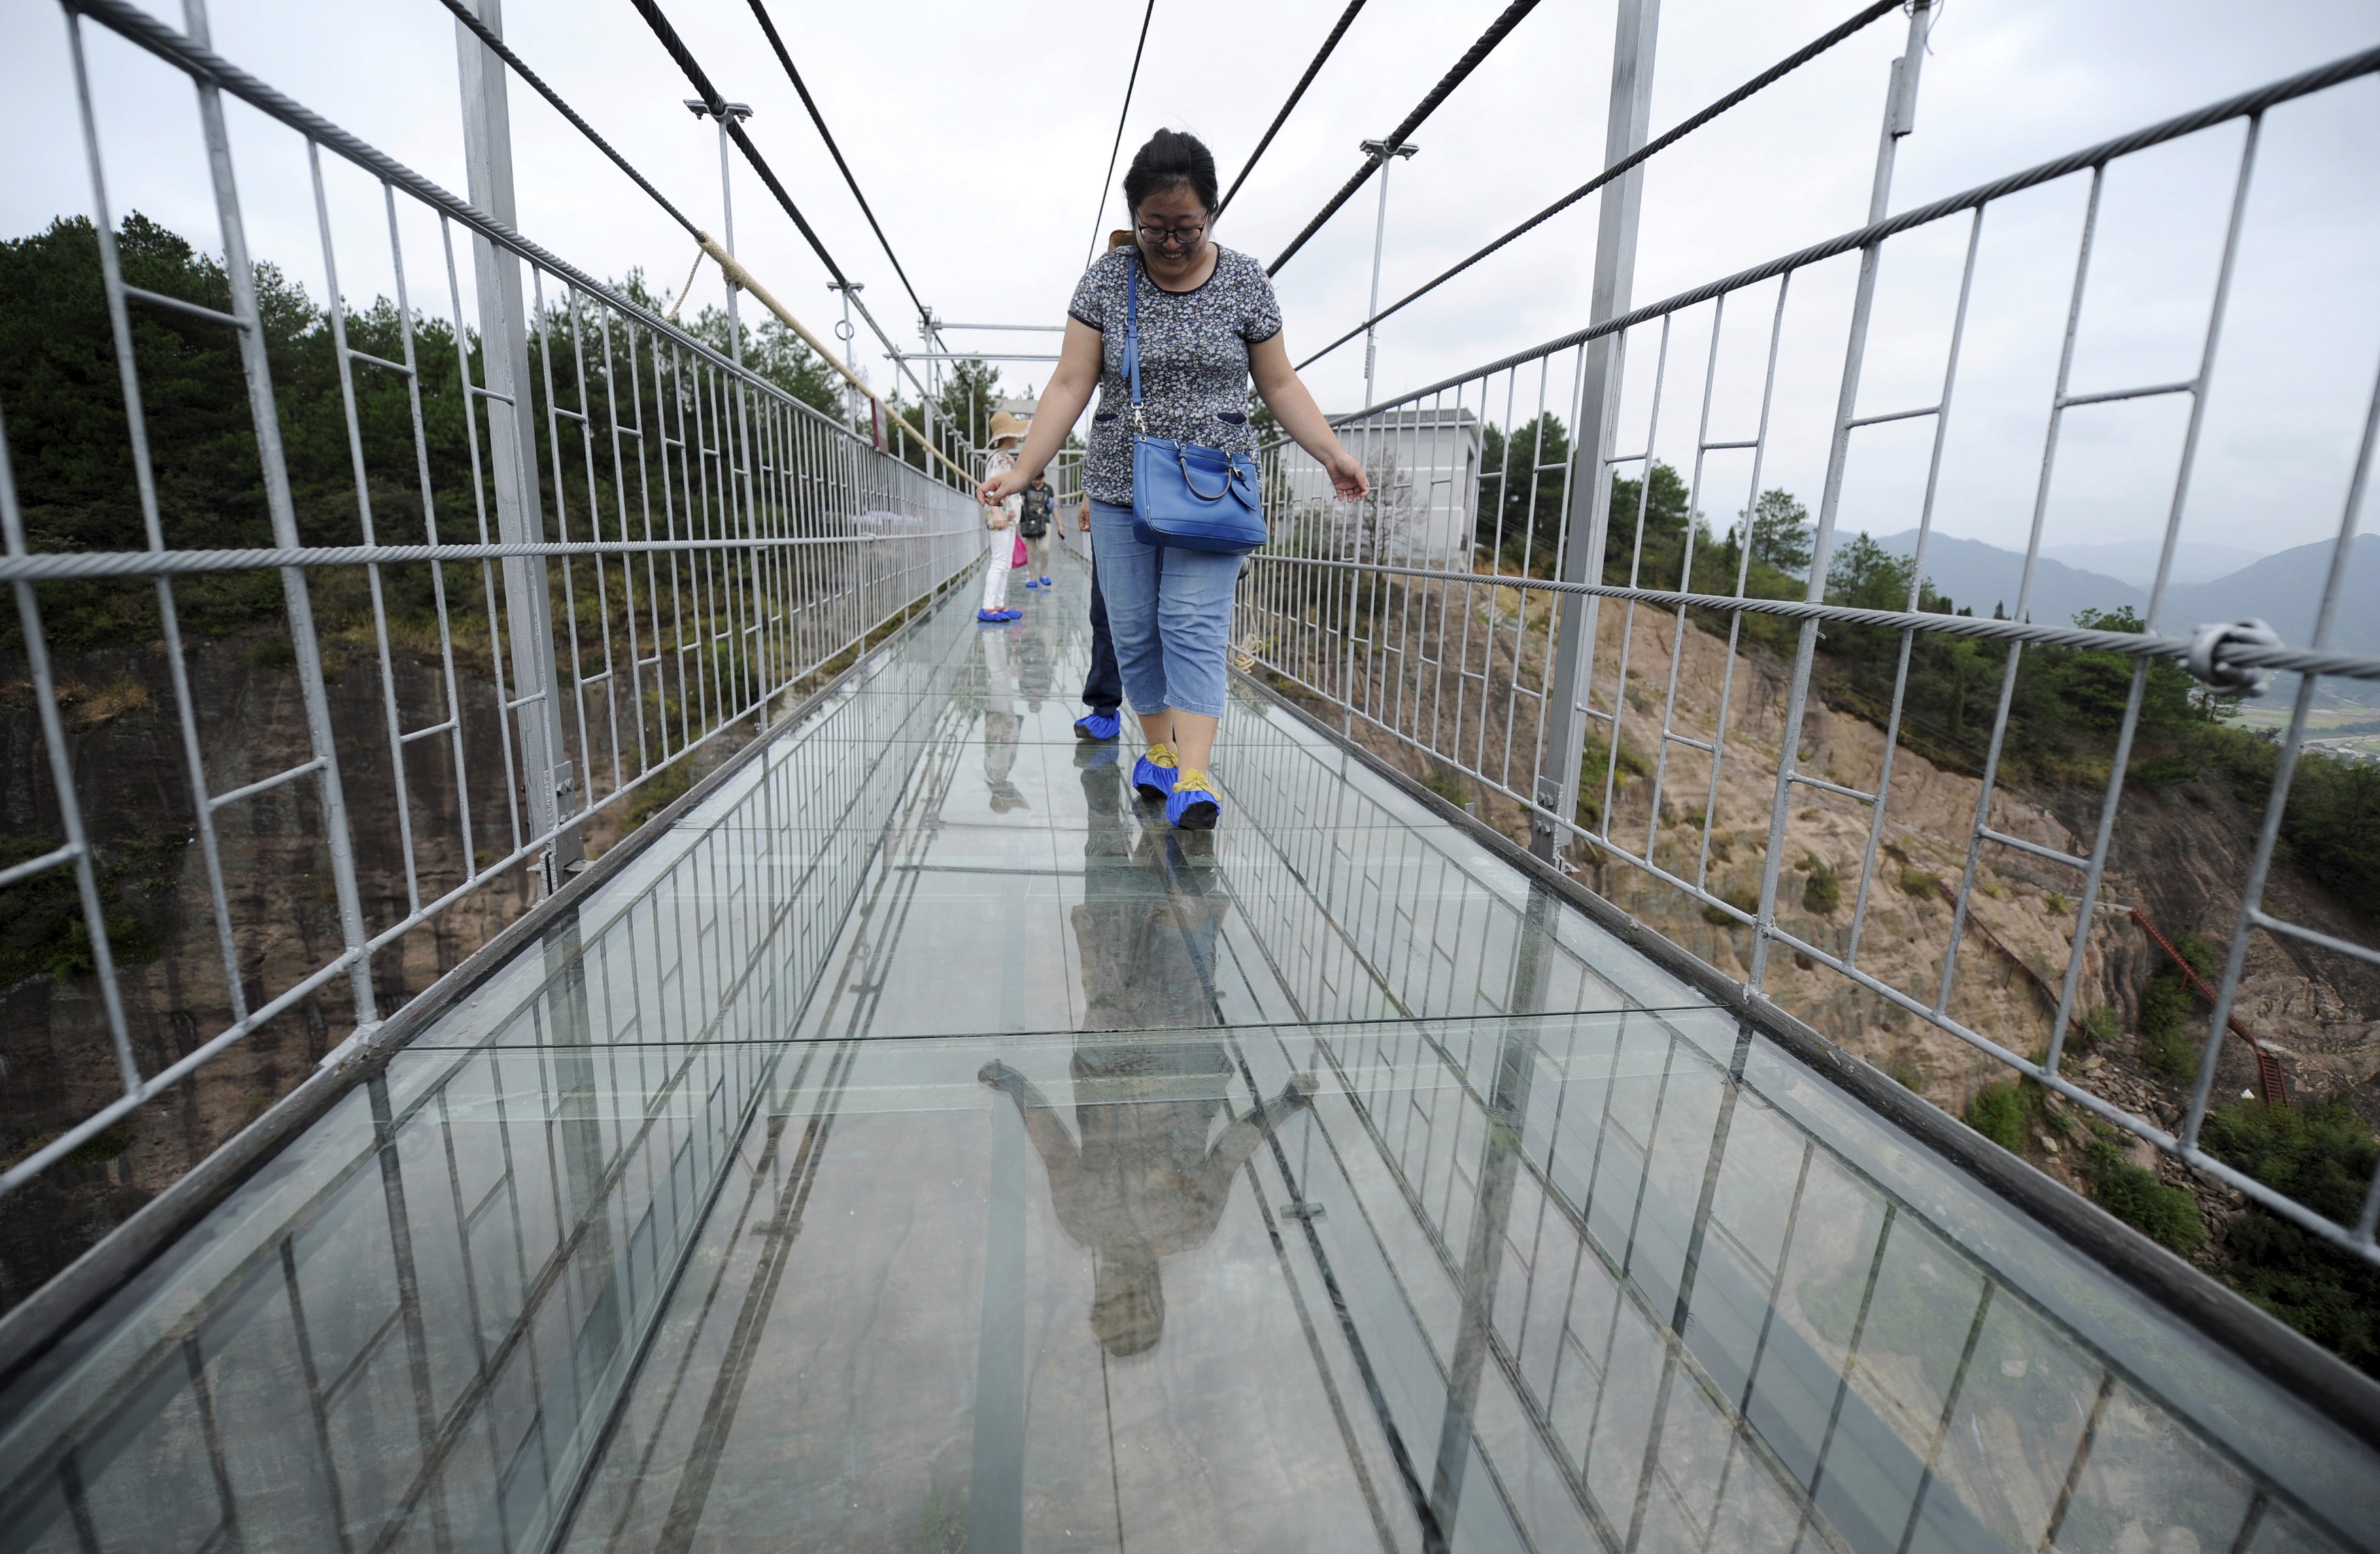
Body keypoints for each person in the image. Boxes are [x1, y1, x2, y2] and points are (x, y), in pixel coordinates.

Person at [981, 131, 1367, 829]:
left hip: (1213, 489)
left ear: (1211, 216)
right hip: (1121, 486)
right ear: (1135, 217)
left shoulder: (1246, 281)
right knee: (1131, 629)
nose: (1169, 242)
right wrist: (1022, 471)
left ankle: (1194, 773)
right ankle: (1156, 754)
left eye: (1186, 228)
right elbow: (1071, 382)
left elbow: (1277, 382)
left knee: (1190, 623)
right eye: (1155, 228)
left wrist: (1330, 452)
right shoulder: (1106, 281)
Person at [1074, 489, 1123, 742]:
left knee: (1176, 619)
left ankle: (1179, 724)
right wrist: (1091, 496)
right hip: (1115, 499)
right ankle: (1104, 710)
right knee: (1105, 611)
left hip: (1184, 493)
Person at [976, 411, 1028, 623]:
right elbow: (991, 486)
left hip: (1008, 517)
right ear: (1009, 435)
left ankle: (998, 605)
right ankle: (988, 607)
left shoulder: (1004, 458)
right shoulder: (999, 458)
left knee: (1005, 563)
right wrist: (996, 512)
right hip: (1002, 517)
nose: (1018, 438)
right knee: (999, 562)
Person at [1018, 470, 1056, 590]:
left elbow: (1052, 507)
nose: (1037, 482)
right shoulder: (1026, 487)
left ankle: (1044, 575)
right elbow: (1021, 503)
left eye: (1039, 480)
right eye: (1035, 480)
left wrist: (1060, 524)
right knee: (1031, 551)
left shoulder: (1048, 489)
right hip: (1029, 522)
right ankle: (1032, 578)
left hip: (1044, 522)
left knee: (1044, 549)